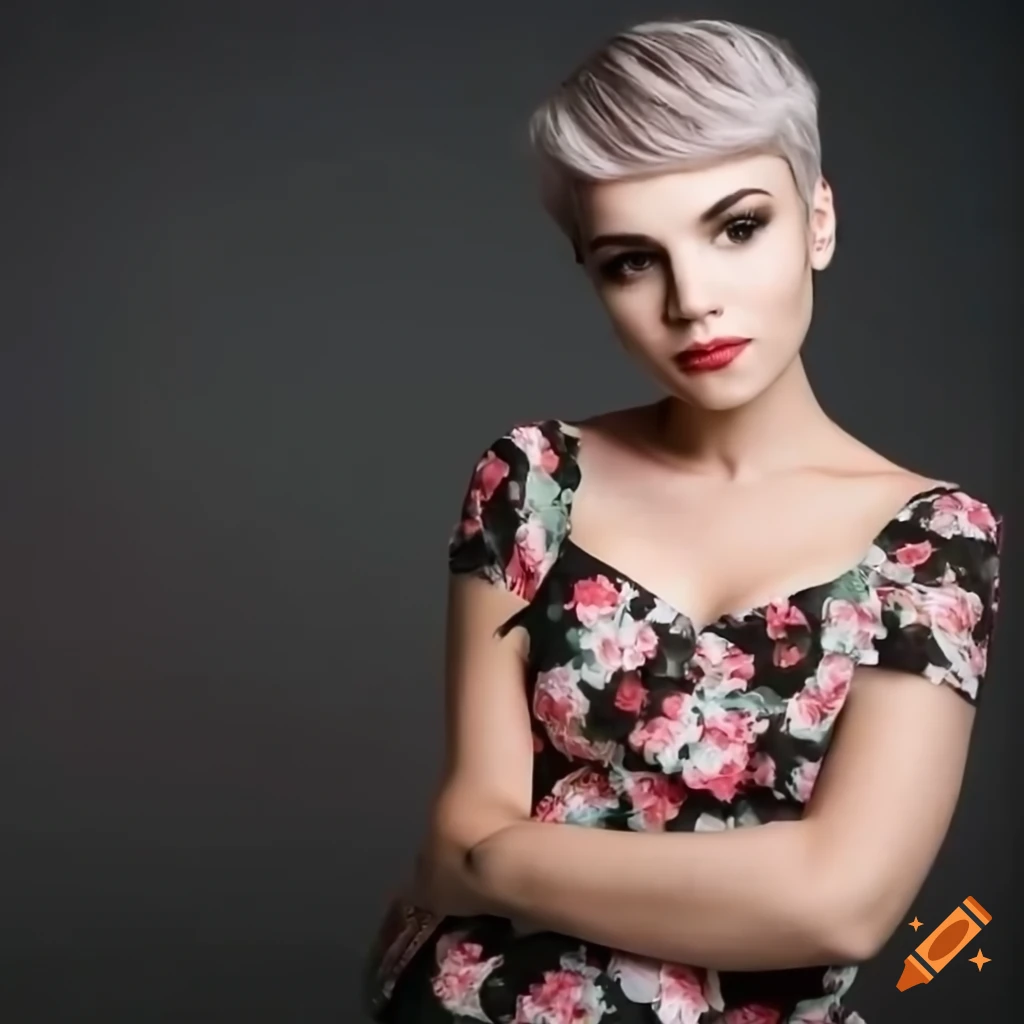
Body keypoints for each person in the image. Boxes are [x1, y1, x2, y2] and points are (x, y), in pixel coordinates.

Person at [362, 16, 1003, 1024]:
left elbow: (842, 901)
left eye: (737, 227)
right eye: (631, 261)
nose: (692, 300)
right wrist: (745, 885)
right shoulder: (531, 479)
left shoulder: (932, 543)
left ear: (818, 222)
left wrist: (506, 858)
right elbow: (461, 825)